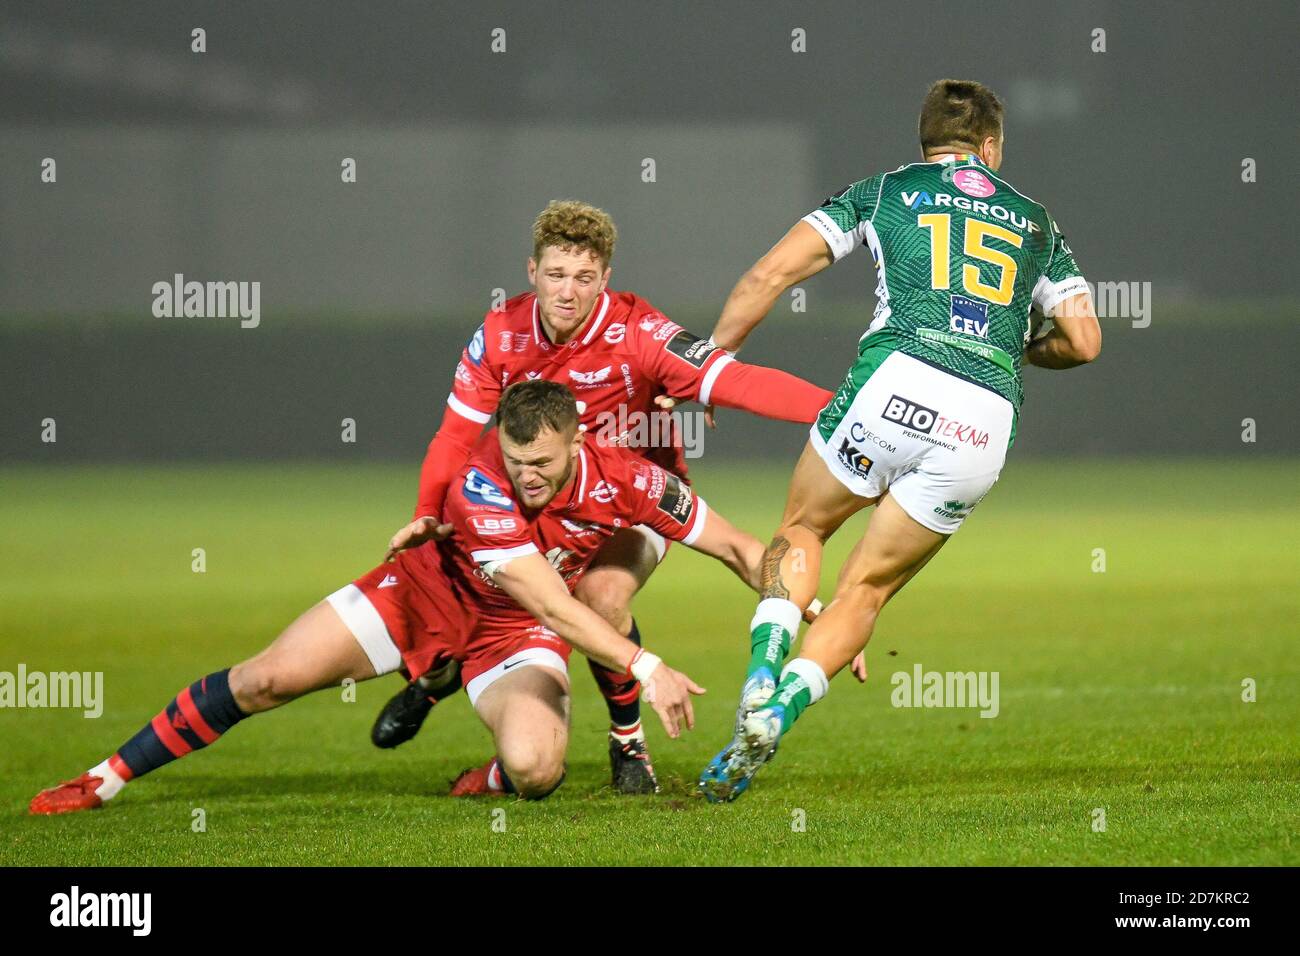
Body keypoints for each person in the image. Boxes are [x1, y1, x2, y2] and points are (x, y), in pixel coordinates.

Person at [29, 381, 769, 813]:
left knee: (537, 774)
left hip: (510, 635)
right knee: (264, 680)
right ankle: (106, 777)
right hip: (422, 596)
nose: (528, 476)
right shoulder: (482, 488)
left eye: (541, 462)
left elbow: (739, 548)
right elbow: (553, 603)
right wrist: (645, 664)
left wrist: (811, 611)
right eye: (517, 461)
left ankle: (477, 756)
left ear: (576, 442)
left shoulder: (630, 480)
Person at [697, 79, 1102, 801]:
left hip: (896, 384)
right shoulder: (1036, 222)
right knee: (869, 589)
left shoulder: (885, 190)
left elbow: (772, 273)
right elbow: (1086, 340)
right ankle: (781, 710)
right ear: (991, 146)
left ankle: (764, 666)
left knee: (805, 525)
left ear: (925, 142)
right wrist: (1023, 350)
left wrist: (711, 363)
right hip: (983, 419)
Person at [372, 199, 832, 794]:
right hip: (535, 502)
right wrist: (428, 515)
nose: (568, 292)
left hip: (631, 500)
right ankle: (439, 675)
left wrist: (839, 410)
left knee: (600, 593)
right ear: (532, 272)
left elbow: (735, 382)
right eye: (557, 275)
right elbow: (456, 435)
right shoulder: (499, 334)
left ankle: (627, 741)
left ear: (605, 280)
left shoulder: (638, 332)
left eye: (584, 278)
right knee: (478, 590)